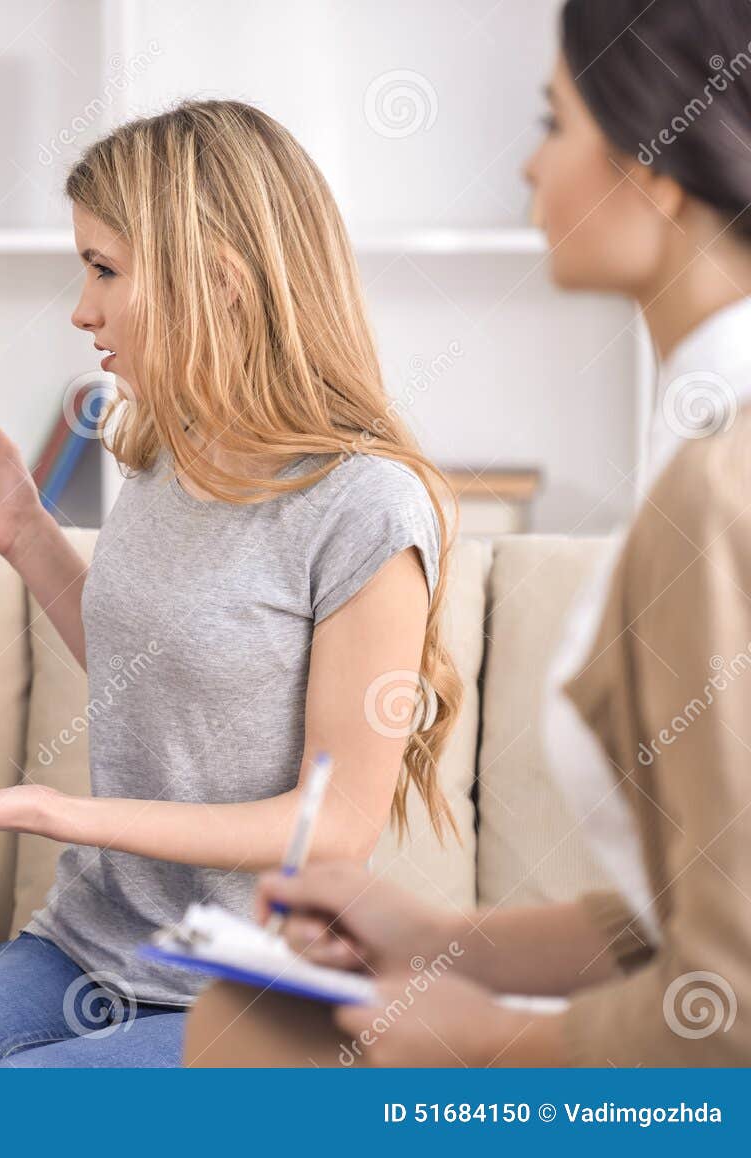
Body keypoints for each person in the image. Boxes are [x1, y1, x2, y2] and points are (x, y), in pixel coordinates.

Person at [0, 99, 465, 1067]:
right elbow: (153, 677)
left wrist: (61, 813)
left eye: (104, 269)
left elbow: (335, 828)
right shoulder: (164, 456)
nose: (80, 309)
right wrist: (22, 531)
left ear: (219, 281)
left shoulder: (366, 507)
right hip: (94, 947)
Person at [196, 0, 751, 1067]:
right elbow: (695, 914)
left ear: (656, 169)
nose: (530, 172)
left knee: (251, 1033)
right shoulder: (700, 436)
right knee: (253, 1015)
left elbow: (726, 1004)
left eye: (553, 126)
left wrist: (484, 1041)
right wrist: (443, 941)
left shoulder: (718, 489)